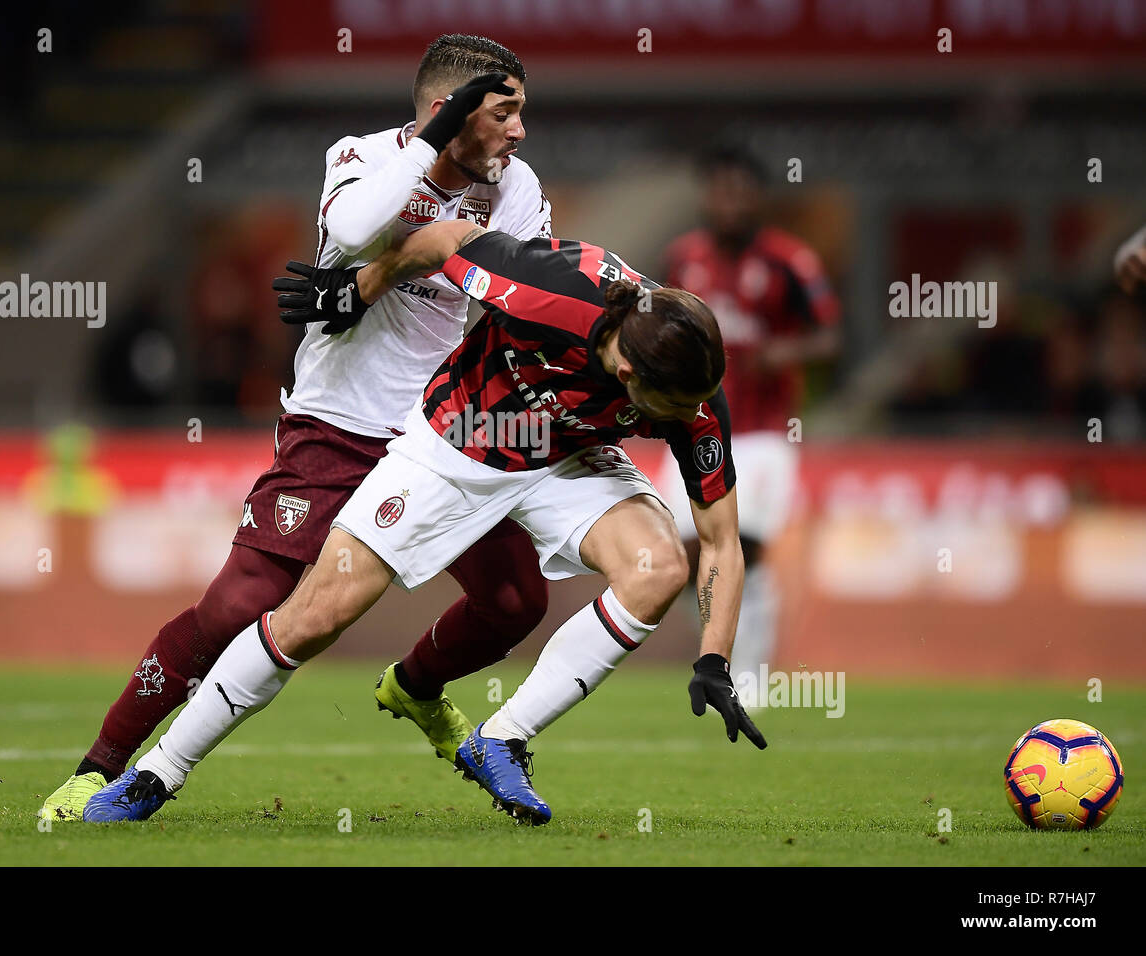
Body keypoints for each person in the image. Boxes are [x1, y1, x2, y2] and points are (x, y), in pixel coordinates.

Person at [85, 220, 766, 827]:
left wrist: (714, 656)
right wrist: (360, 287)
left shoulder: (693, 392)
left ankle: (503, 738)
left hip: (565, 460)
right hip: (455, 439)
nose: (687, 417)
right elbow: (446, 239)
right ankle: (159, 772)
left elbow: (719, 541)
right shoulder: (545, 287)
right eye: (669, 406)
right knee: (317, 614)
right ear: (625, 368)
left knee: (659, 568)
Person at [39, 35, 553, 821]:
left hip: (446, 432)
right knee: (236, 605)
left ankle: (416, 690)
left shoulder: (514, 184)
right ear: (451, 110)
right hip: (338, 421)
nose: (520, 131)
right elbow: (351, 231)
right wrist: (432, 143)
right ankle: (97, 767)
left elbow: (519, 279)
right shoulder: (360, 155)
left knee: (517, 602)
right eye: (504, 111)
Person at [657, 144, 840, 705]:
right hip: (690, 424)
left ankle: (752, 676)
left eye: (741, 190)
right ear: (708, 196)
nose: (730, 201)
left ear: (757, 196)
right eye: (720, 189)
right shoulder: (683, 258)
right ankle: (721, 656)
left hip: (762, 433)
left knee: (745, 546)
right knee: (682, 558)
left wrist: (779, 353)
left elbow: (829, 335)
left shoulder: (790, 260)